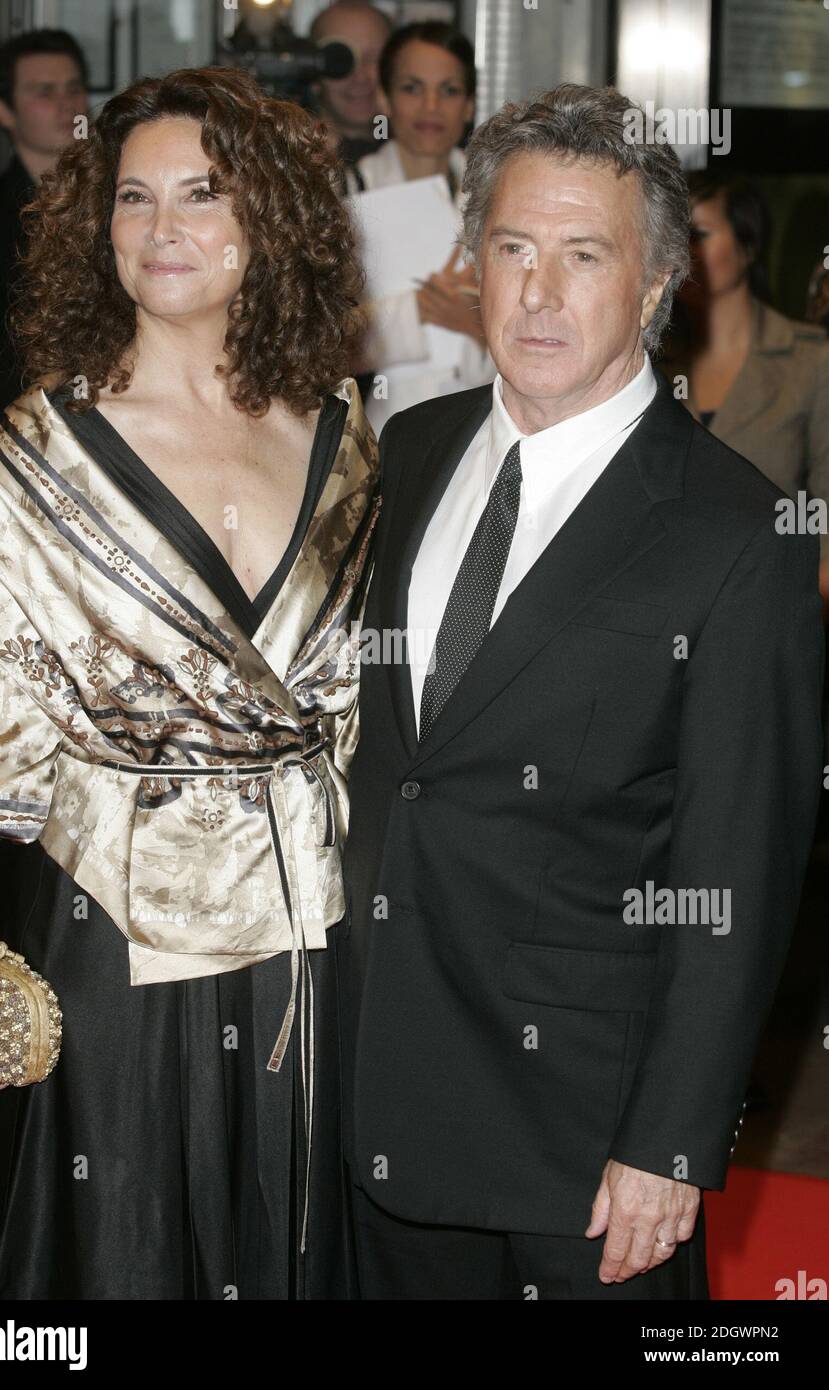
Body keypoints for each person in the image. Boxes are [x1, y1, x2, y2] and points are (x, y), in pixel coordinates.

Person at [338, 83, 824, 1300]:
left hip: (579, 1145)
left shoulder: (733, 535)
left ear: (656, 286)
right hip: (366, 1094)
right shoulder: (409, 449)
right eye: (510, 250)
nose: (537, 293)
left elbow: (737, 870)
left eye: (582, 256)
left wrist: (669, 1140)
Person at [0, 65, 378, 1300]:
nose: (163, 228)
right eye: (134, 198)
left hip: (310, 938)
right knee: (111, 1262)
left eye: (201, 193)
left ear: (270, 222)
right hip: (113, 949)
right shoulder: (39, 453)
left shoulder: (341, 436)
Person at [657, 172, 829, 613]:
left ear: (748, 247)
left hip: (771, 616)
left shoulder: (811, 362)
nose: (682, 252)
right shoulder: (648, 365)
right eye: (674, 237)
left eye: (698, 235)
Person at [344, 22, 493, 432]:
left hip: (486, 426)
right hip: (378, 436)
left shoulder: (499, 196)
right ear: (384, 97)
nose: (431, 106)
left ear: (469, 105)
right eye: (412, 88)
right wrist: (419, 311)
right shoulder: (343, 192)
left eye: (448, 90)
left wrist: (485, 325)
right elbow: (312, 341)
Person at [0, 29, 90, 421]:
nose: (67, 105)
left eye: (74, 88)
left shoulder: (123, 201)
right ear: (4, 111)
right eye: (44, 92)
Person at [309, 0, 392, 176]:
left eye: (373, 58)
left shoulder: (427, 152)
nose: (360, 76)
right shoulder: (288, 160)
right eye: (340, 61)